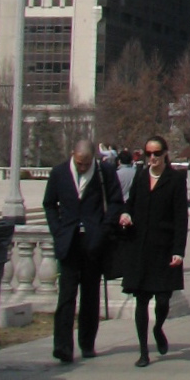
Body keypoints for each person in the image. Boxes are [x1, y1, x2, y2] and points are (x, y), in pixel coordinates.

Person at [43, 138, 124, 363]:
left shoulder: (104, 173)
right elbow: (49, 203)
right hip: (68, 242)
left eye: (86, 163)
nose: (82, 167)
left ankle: (87, 343)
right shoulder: (59, 173)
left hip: (93, 243)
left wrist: (103, 230)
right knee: (66, 296)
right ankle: (62, 347)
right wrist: (58, 230)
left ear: (93, 159)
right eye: (79, 163)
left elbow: (116, 203)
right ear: (72, 155)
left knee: (90, 296)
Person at [118, 135, 188, 367]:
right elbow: (131, 203)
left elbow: (180, 217)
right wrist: (126, 215)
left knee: (162, 299)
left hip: (164, 248)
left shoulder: (176, 180)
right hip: (140, 247)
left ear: (165, 153)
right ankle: (143, 351)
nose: (152, 158)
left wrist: (179, 250)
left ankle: (158, 327)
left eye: (157, 153)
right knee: (141, 300)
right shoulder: (140, 177)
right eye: (148, 154)